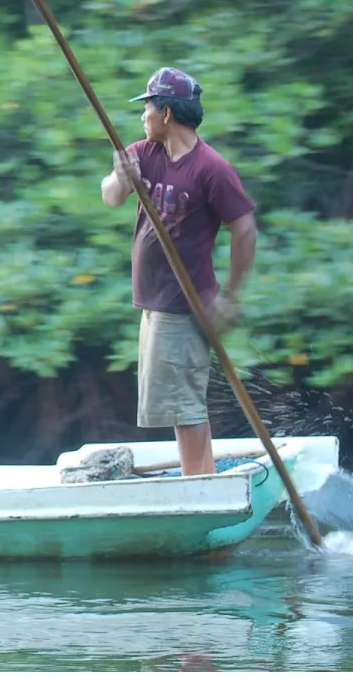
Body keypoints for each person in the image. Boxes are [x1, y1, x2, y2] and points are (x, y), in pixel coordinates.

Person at [99, 67, 257, 475]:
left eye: (147, 107)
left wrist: (230, 295)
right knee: (179, 401)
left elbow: (244, 230)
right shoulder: (144, 154)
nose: (143, 116)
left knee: (183, 403)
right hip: (154, 301)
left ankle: (198, 484)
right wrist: (121, 177)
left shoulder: (211, 168)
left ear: (166, 113)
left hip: (184, 302)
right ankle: (200, 477)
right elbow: (111, 197)